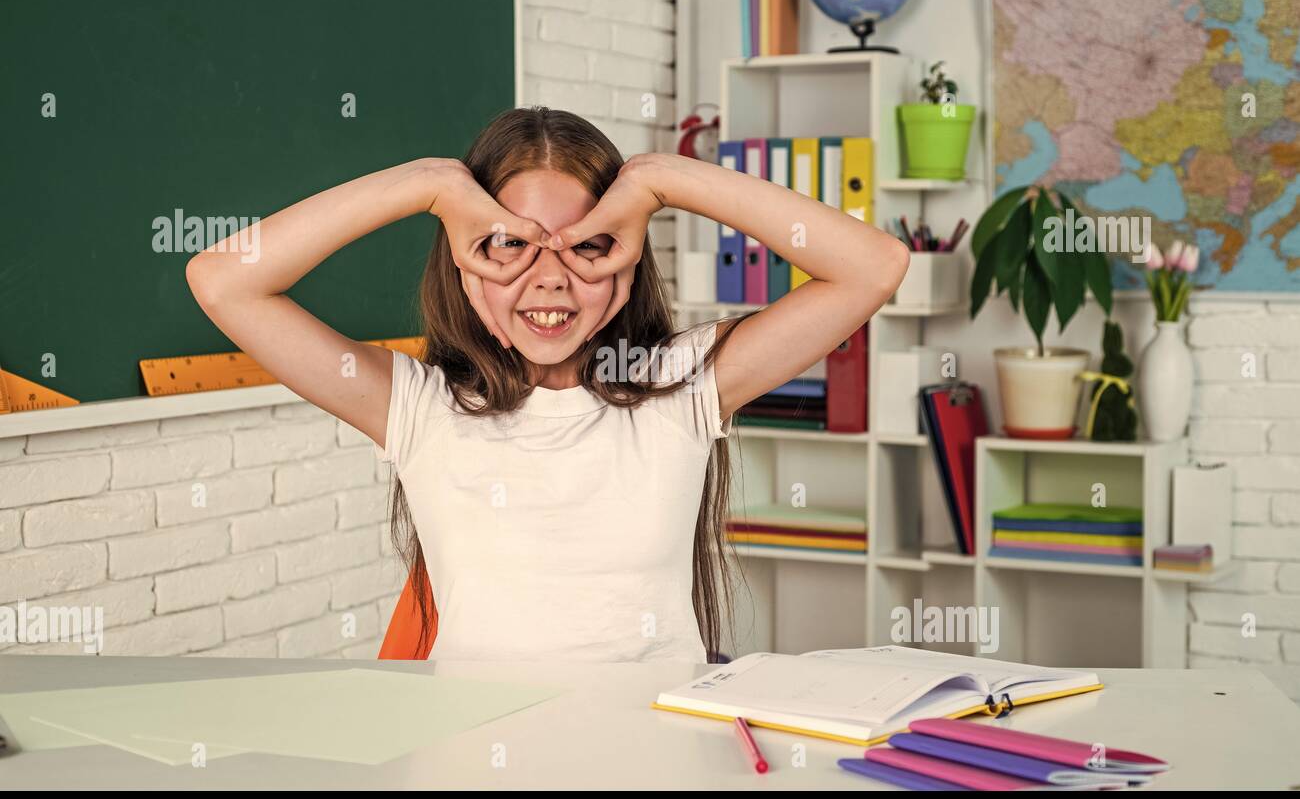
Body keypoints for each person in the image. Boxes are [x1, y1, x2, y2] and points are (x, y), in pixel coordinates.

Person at [186, 107, 908, 663]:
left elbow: (872, 266)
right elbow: (223, 281)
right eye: (509, 245)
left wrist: (661, 179)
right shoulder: (417, 408)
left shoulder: (680, 388)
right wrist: (431, 185)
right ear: (465, 264)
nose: (551, 279)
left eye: (588, 243)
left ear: (626, 260)